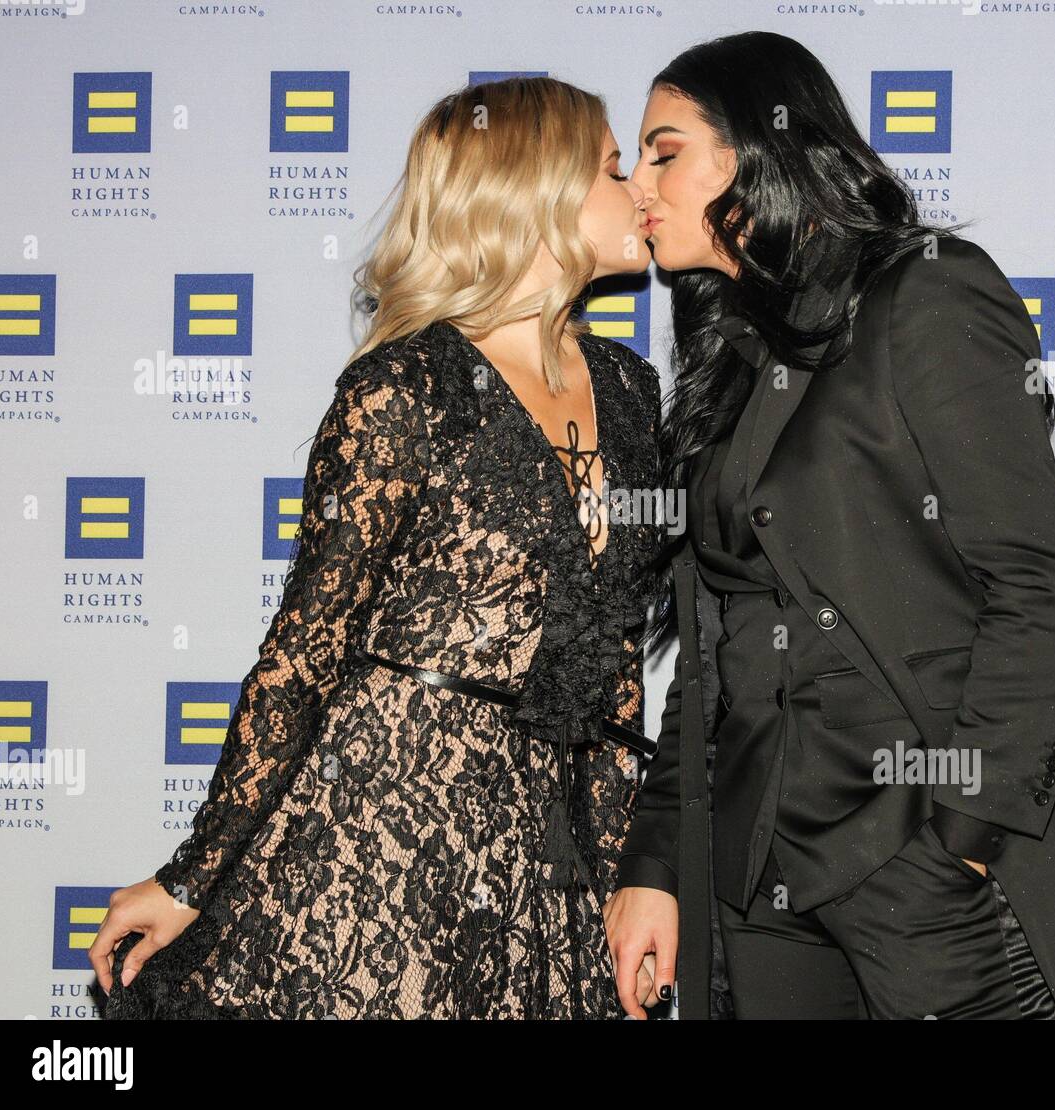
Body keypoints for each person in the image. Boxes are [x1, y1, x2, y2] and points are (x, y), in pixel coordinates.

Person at [87, 76, 665, 1019]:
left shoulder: (631, 391)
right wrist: (194, 874)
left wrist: (620, 882)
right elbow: (307, 651)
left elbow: (615, 673)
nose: (639, 188)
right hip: (386, 829)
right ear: (535, 188)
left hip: (543, 864)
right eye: (610, 168)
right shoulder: (407, 389)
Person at [603, 32, 1055, 1021]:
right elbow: (711, 655)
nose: (636, 179)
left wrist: (962, 838)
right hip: (754, 890)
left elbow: (1037, 588)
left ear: (756, 151)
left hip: (922, 876)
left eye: (663, 150)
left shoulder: (925, 295)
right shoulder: (725, 360)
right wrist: (655, 866)